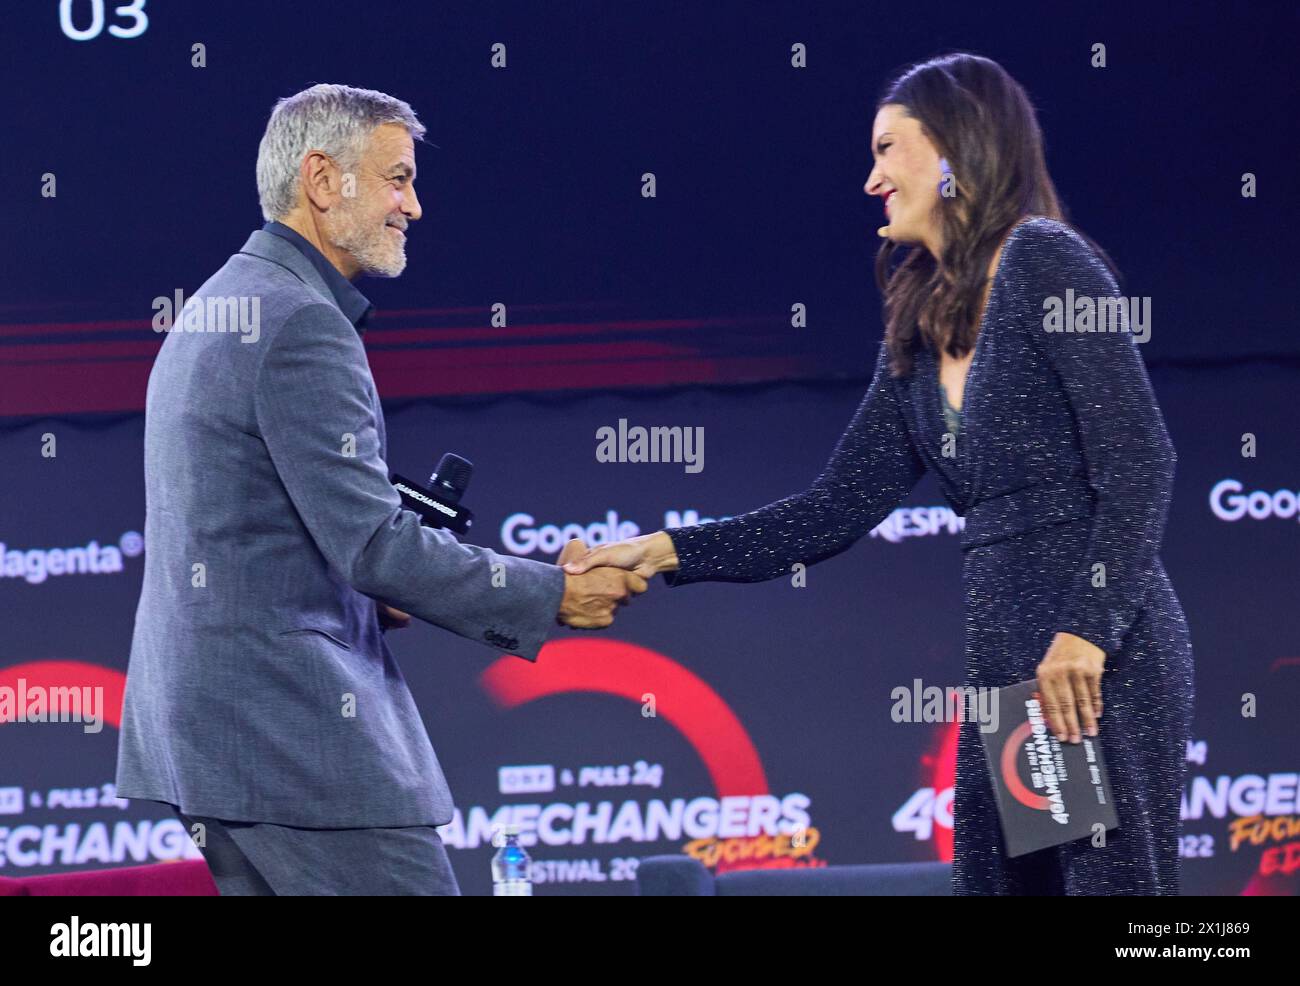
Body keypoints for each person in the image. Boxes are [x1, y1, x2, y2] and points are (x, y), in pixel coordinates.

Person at [564, 54, 1194, 896]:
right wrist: (655, 551)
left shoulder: (1047, 261)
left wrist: (1086, 631)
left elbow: (1140, 457)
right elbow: (830, 510)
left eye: (886, 149)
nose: (870, 180)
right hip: (1012, 666)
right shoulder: (920, 321)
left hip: (1095, 657)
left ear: (953, 151)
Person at [115, 84, 643, 895]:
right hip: (295, 741)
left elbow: (250, 533)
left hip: (218, 742)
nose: (415, 205)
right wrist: (551, 595)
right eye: (397, 179)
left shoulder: (222, 302)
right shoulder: (300, 321)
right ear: (323, 181)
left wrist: (364, 596)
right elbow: (374, 545)